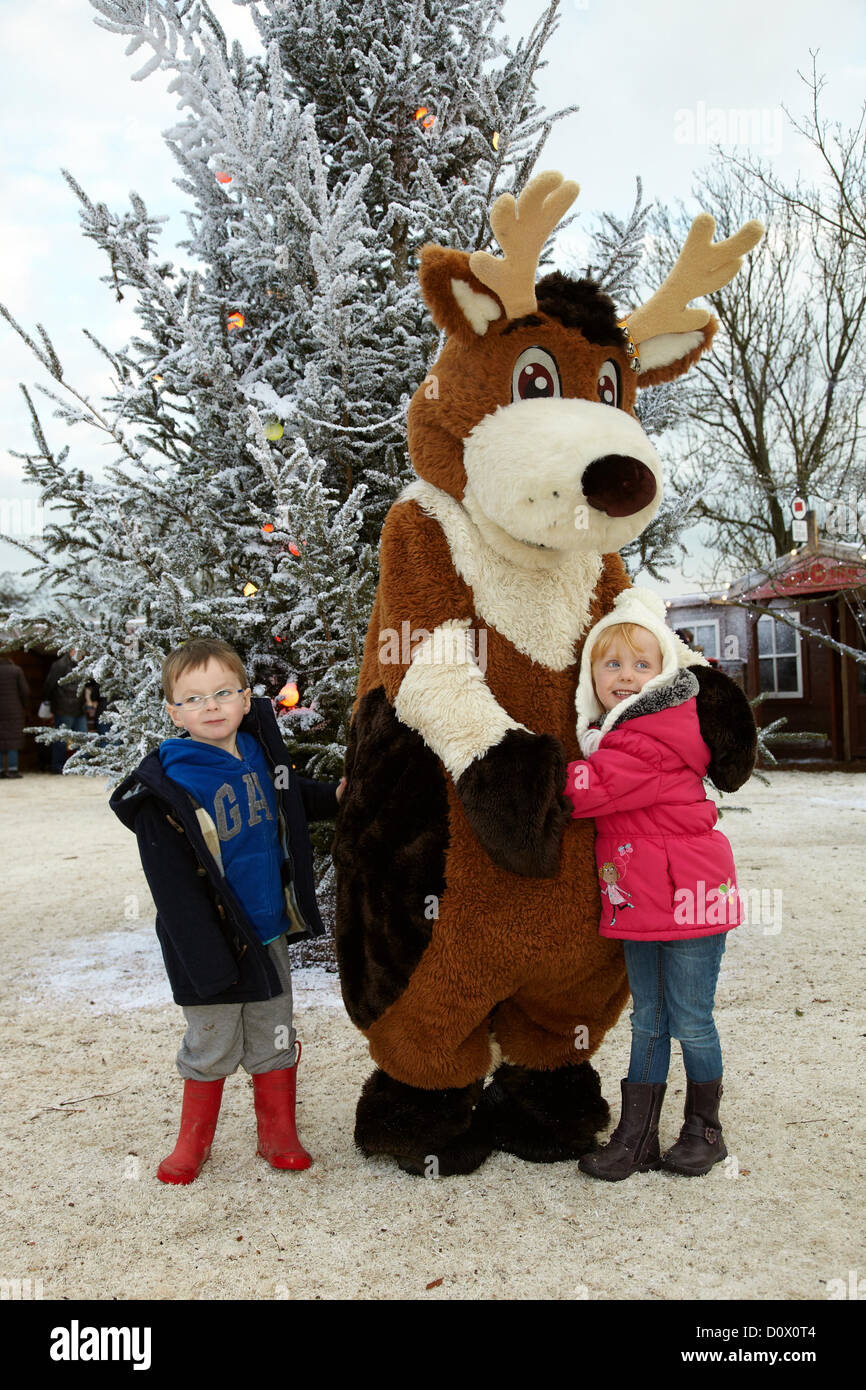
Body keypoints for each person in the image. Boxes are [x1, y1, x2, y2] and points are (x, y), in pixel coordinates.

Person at [109, 638, 346, 1185]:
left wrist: (337, 794)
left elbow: (292, 801)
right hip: (206, 941)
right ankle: (193, 1144)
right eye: (194, 699)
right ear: (173, 712)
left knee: (273, 1031)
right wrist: (207, 963)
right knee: (211, 1040)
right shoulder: (166, 789)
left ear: (245, 699)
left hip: (267, 932)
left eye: (223, 693)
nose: (211, 706)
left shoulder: (261, 754)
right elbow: (173, 891)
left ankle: (277, 1134)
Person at [562, 588, 744, 1181]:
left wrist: (525, 767)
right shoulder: (609, 734)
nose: (625, 676)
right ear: (592, 672)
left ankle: (704, 1130)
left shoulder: (654, 733)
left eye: (643, 664)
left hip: (689, 900)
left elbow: (587, 791)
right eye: (611, 663)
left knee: (691, 1017)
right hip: (642, 901)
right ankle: (636, 1137)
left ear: (665, 673)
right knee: (647, 1018)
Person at [42, 647, 87, 773]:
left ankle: (80, 766)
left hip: (77, 707)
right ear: (72, 651)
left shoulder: (80, 665)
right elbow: (50, 684)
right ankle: (58, 766)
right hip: (63, 707)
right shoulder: (60, 665)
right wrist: (47, 701)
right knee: (63, 738)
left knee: (80, 738)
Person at [0, 655, 30, 779]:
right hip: (14, 709)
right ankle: (13, 769)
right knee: (13, 739)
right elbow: (25, 691)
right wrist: (25, 706)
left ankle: (0, 769)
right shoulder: (16, 670)